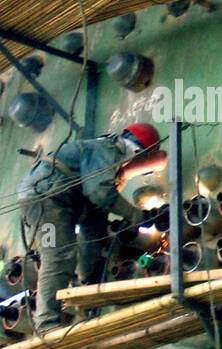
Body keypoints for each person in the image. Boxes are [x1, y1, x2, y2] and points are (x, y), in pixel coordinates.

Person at [18, 123, 162, 334]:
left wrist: (129, 228)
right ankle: (46, 323)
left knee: (95, 227)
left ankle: (87, 280)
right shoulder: (108, 150)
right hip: (44, 201)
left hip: (63, 200)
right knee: (58, 256)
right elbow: (99, 193)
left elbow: (93, 225)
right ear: (139, 151)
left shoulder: (103, 159)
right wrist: (134, 214)